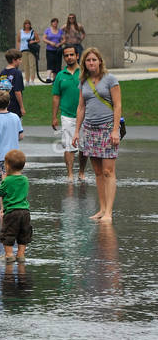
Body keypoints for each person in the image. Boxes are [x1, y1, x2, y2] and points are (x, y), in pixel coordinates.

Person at [73, 47, 122, 223]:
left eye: (94, 59)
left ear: (100, 61)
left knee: (108, 171)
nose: (91, 63)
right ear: (84, 63)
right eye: (88, 60)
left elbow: (117, 106)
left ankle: (109, 211)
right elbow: (81, 107)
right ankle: (101, 209)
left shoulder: (110, 80)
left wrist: (115, 130)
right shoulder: (83, 81)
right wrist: (77, 131)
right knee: (98, 172)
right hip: (90, 129)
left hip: (107, 128)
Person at [51, 45, 85, 182]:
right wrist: (54, 116)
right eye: (66, 55)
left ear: (77, 56)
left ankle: (81, 172)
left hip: (85, 115)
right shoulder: (60, 75)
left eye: (72, 54)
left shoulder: (84, 72)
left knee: (83, 147)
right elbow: (56, 96)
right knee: (69, 146)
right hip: (67, 115)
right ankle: (70, 174)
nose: (69, 57)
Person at [0, 149, 32, 262]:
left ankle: (9, 254)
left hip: (11, 212)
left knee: (8, 233)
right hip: (25, 212)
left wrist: (3, 182)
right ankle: (21, 255)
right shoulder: (25, 179)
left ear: (7, 166)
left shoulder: (8, 180)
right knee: (24, 233)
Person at [0, 89, 23, 201]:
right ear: (9, 103)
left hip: (1, 157)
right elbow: (21, 136)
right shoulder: (15, 117)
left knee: (2, 183)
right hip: (15, 155)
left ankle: (3, 209)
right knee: (14, 180)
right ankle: (16, 201)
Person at [0, 49, 25, 120]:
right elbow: (17, 92)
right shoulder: (17, 73)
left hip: (3, 106)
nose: (20, 61)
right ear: (14, 60)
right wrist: (22, 107)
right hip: (14, 107)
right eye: (19, 59)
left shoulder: (2, 73)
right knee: (16, 129)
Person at [16, 19, 40, 85]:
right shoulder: (20, 32)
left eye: (28, 24)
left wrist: (33, 41)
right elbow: (18, 41)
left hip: (31, 50)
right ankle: (27, 80)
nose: (27, 25)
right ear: (24, 25)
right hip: (23, 50)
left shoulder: (33, 32)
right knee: (25, 66)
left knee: (32, 65)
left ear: (30, 25)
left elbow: (38, 40)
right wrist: (18, 49)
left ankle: (32, 80)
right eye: (26, 24)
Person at [43, 17, 64, 82]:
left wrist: (60, 44)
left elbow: (64, 39)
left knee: (57, 64)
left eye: (56, 22)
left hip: (58, 50)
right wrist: (50, 42)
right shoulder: (48, 30)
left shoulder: (60, 31)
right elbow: (44, 39)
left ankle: (55, 79)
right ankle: (48, 77)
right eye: (54, 22)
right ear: (51, 23)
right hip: (50, 50)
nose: (55, 23)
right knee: (50, 63)